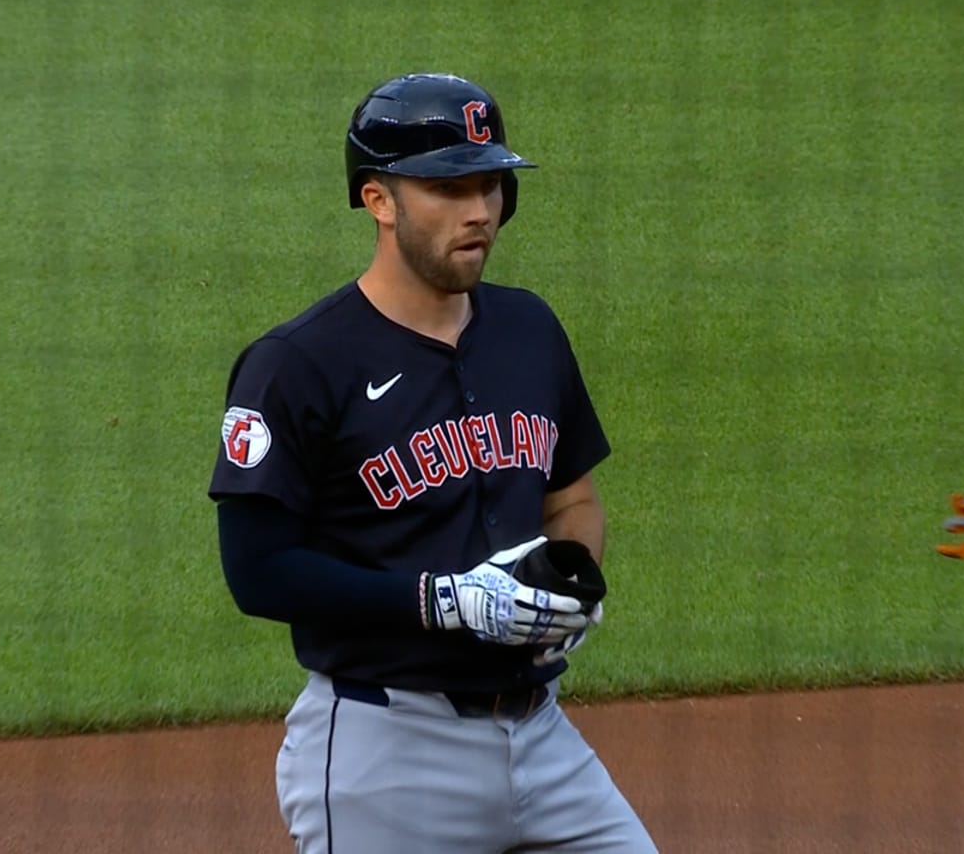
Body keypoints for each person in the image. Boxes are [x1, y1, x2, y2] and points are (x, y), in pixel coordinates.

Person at [206, 72, 656, 853]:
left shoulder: (529, 330)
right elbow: (258, 572)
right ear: (378, 200)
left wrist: (570, 583)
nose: (480, 210)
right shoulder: (298, 365)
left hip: (543, 742)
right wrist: (442, 601)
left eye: (491, 185)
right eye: (450, 187)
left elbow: (571, 499)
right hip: (390, 756)